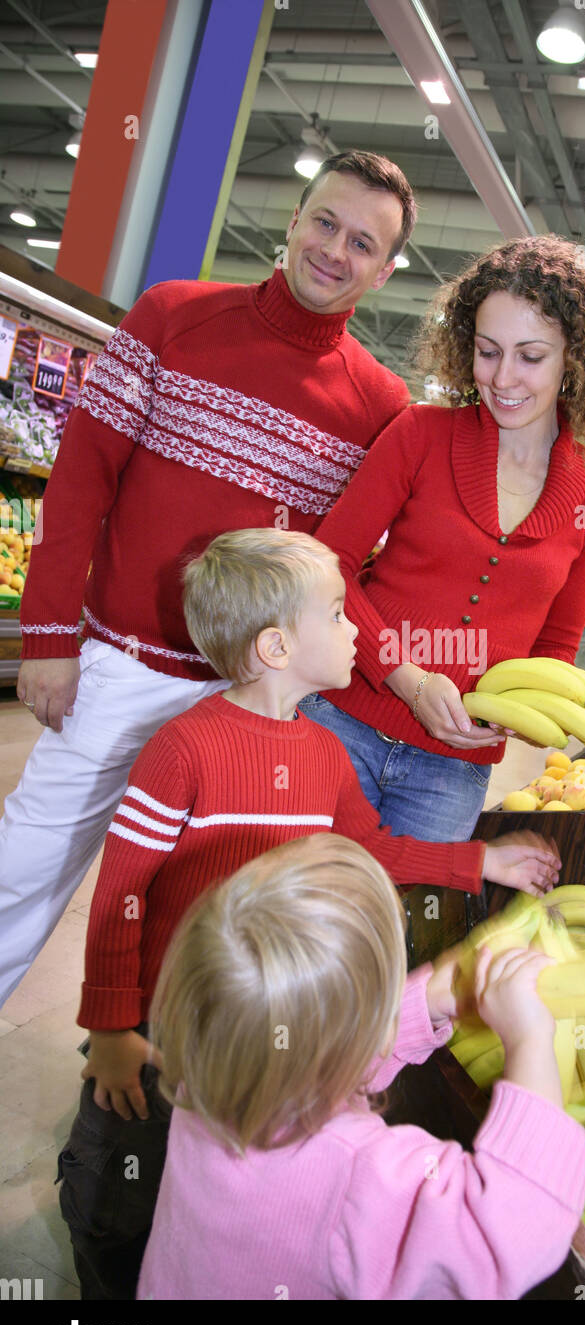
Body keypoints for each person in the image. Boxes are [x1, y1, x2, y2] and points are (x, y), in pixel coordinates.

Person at [57, 529, 560, 1301]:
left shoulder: (323, 755)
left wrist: (478, 863)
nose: (358, 626)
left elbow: (374, 847)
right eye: (337, 612)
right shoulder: (182, 750)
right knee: (116, 1187)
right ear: (275, 646)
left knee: (205, 1190)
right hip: (169, 1023)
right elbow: (121, 893)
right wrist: (113, 1027)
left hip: (269, 1021)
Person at [0, 149, 417, 1007]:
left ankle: (134, 1099)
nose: (337, 250)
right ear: (295, 219)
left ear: (384, 270)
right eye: (327, 222)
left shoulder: (383, 407)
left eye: (364, 244)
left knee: (196, 917)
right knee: (23, 872)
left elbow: (354, 566)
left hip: (243, 704)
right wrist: (48, 637)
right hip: (116, 668)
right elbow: (80, 480)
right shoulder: (172, 316)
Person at [136, 833, 585, 1300]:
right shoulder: (358, 1178)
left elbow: (302, 1050)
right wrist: (529, 1040)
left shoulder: (212, 1070)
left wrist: (423, 1005)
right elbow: (510, 1233)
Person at [304, 235, 585, 840]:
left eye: (531, 357)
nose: (503, 377)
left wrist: (521, 720)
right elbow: (329, 563)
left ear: (574, 361)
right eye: (488, 351)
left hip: (453, 769)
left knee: (403, 930)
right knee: (289, 914)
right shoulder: (419, 434)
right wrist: (407, 677)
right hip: (336, 721)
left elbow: (555, 648)